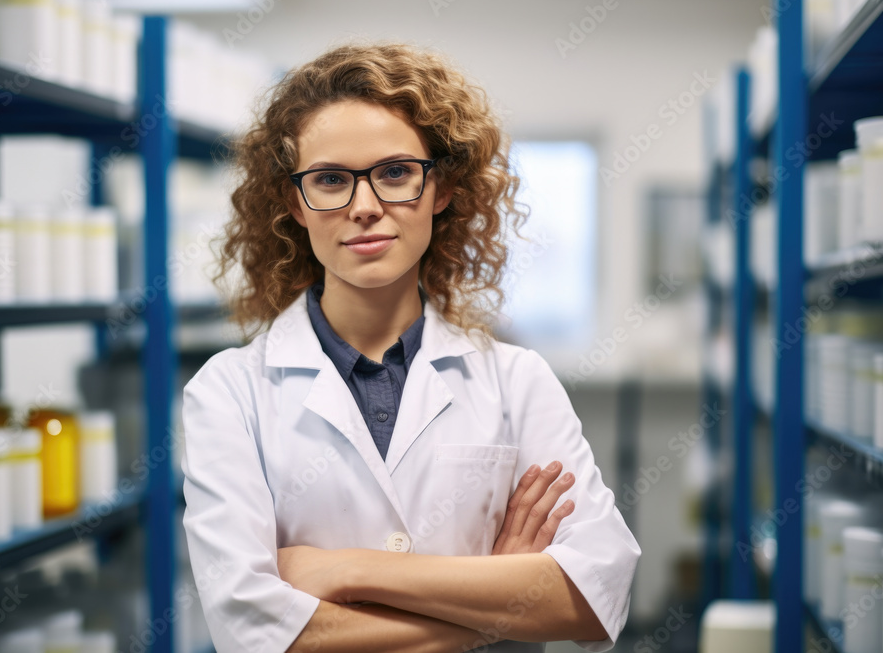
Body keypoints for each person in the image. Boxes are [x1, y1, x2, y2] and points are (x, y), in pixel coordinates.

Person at [181, 42, 640, 653]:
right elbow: (255, 631)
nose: (365, 207)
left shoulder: (515, 381)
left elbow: (593, 597)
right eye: (330, 180)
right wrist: (495, 601)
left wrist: (348, 570)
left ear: (441, 188)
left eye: (395, 173)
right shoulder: (229, 392)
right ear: (296, 203)